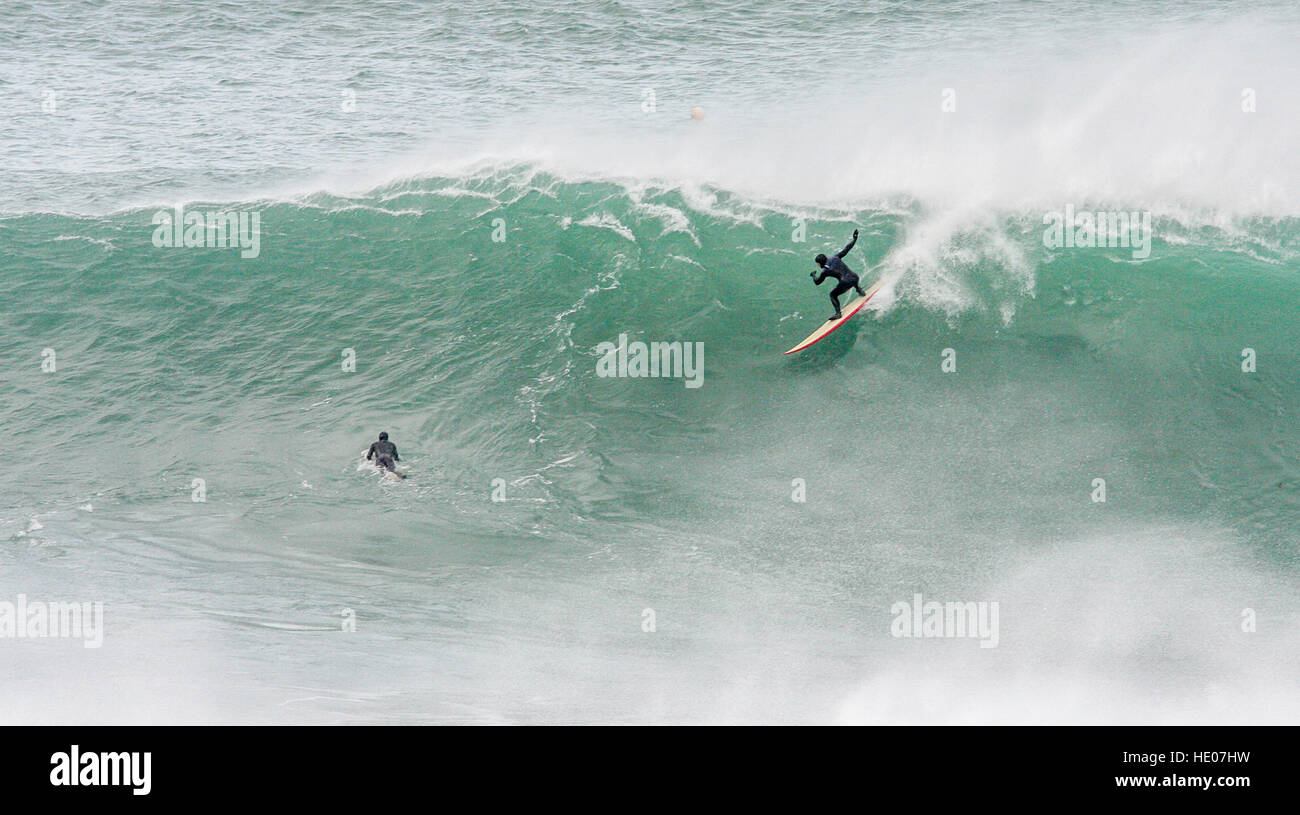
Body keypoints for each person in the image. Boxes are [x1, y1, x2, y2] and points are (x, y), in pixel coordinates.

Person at [810, 228, 865, 320]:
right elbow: (846, 249)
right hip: (855, 277)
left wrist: (813, 275)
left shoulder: (825, 271)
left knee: (832, 295)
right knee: (851, 278)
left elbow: (817, 282)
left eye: (818, 263)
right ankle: (859, 290)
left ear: (820, 263)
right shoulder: (835, 257)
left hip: (846, 282)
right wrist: (854, 239)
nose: (817, 265)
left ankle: (838, 313)